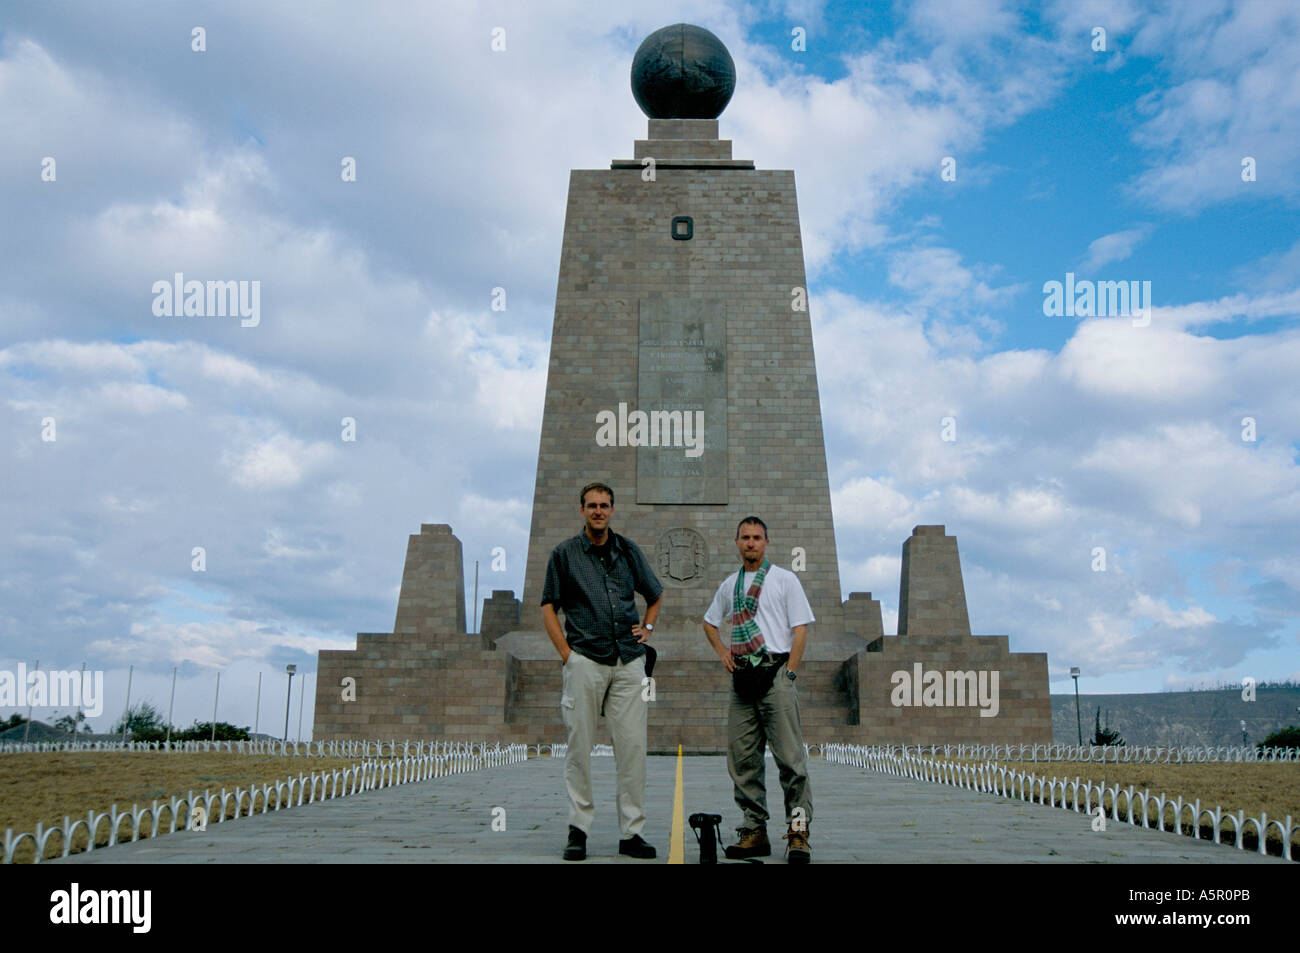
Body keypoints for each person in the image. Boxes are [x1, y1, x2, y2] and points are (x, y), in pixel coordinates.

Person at [541, 481, 664, 861]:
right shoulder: (564, 554)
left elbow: (655, 593)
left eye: (604, 505)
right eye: (592, 505)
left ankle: (632, 832)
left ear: (612, 510)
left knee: (633, 749)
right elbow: (548, 606)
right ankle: (578, 830)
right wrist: (567, 654)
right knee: (579, 746)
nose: (598, 511)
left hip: (629, 660)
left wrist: (648, 628)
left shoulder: (628, 550)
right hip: (585, 660)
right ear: (582, 510)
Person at [702, 516, 815, 863]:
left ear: (766, 542)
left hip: (776, 671)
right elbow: (709, 622)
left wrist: (790, 672)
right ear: (737, 542)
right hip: (742, 677)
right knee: (743, 759)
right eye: (745, 537)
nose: (751, 542)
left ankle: (798, 832)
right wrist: (722, 651)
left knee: (790, 760)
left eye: (756, 537)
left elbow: (800, 629)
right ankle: (754, 830)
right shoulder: (730, 585)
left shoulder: (785, 579)